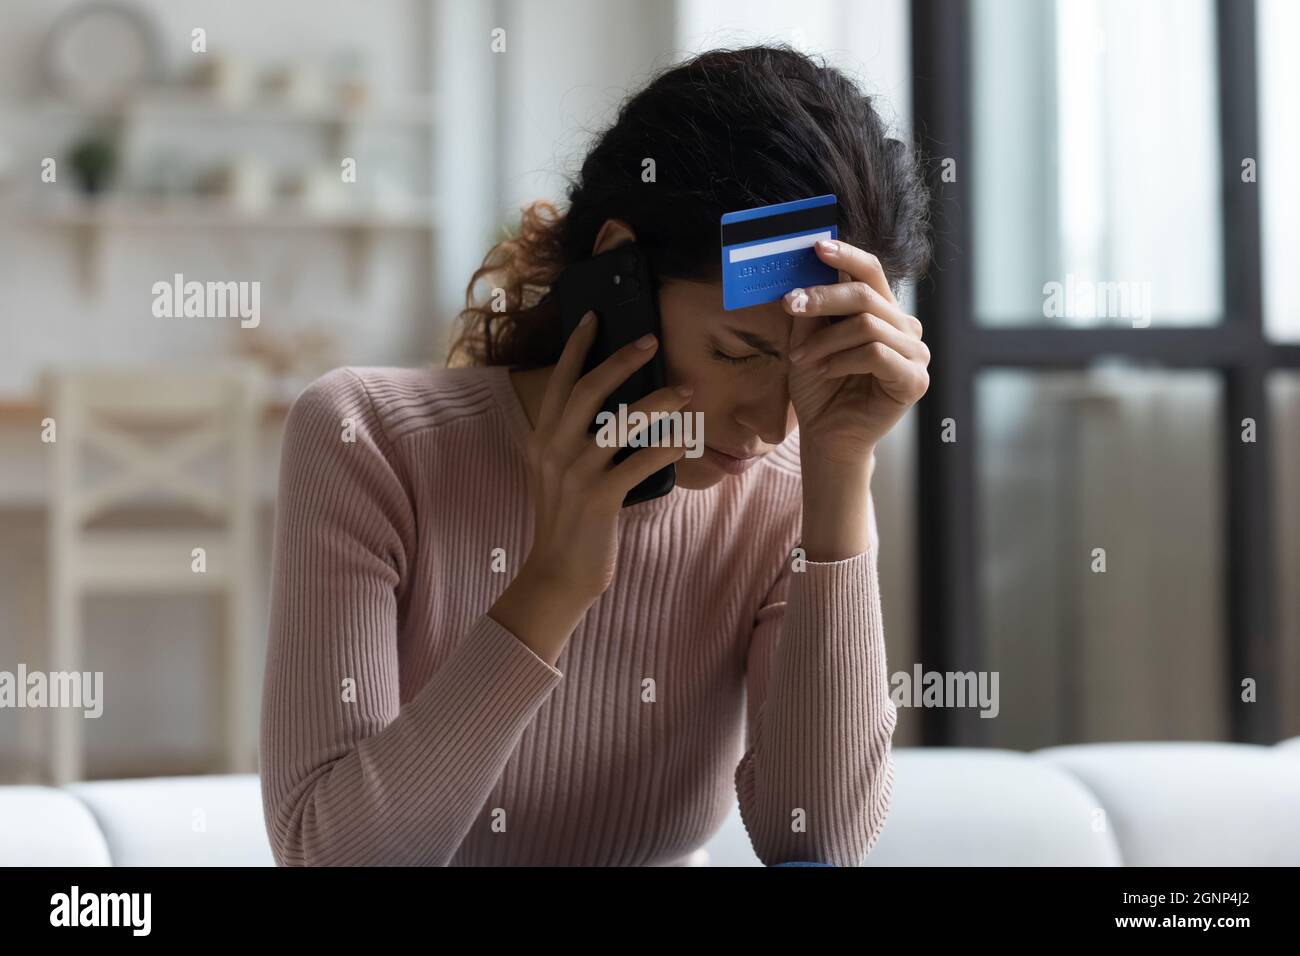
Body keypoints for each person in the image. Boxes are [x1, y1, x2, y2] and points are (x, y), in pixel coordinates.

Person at [259, 44, 931, 867]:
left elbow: (818, 843)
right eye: (738, 353)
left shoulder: (789, 485)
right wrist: (553, 584)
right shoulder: (368, 442)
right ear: (619, 267)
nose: (772, 427)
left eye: (810, 372)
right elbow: (330, 857)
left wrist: (840, 475)